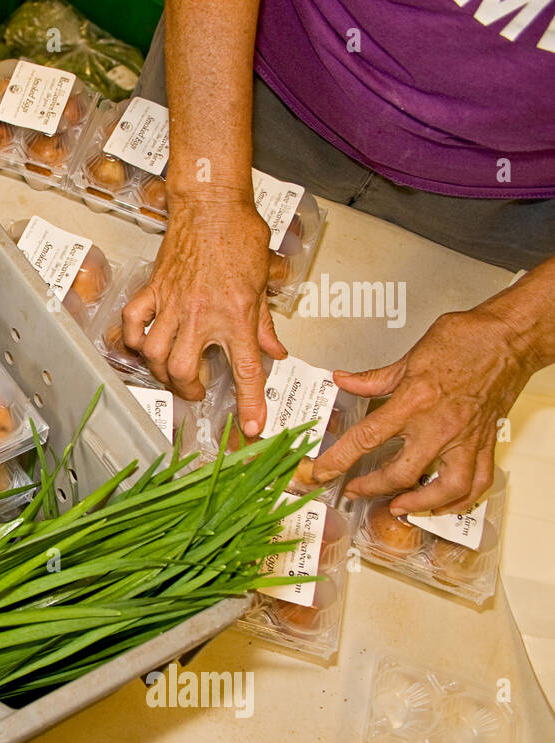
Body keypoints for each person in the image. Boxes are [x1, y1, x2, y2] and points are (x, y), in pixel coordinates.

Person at [120, 0, 555, 516]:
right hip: (248, 77)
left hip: (506, 196)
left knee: (399, 429)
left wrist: (517, 336)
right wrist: (209, 199)